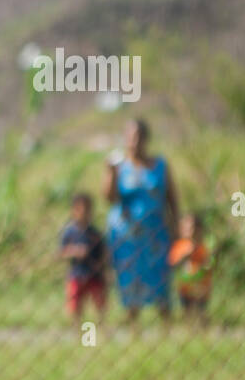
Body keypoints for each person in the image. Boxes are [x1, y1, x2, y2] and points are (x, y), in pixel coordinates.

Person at [103, 118, 179, 324]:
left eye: (137, 137)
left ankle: (167, 321)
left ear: (146, 139)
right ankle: (132, 320)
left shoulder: (159, 166)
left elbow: (171, 198)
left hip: (155, 233)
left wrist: (177, 227)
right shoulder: (119, 167)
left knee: (159, 275)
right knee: (129, 276)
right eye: (129, 137)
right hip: (126, 236)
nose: (133, 142)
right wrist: (110, 173)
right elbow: (109, 198)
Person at [58, 192, 108, 325]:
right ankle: (78, 329)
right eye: (80, 209)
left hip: (94, 274)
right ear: (73, 210)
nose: (84, 213)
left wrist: (101, 265)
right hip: (76, 274)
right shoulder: (69, 233)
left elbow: (103, 253)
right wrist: (75, 251)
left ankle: (100, 327)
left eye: (87, 209)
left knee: (99, 303)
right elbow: (61, 252)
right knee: (75, 304)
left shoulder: (95, 233)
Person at [169, 212, 214, 324]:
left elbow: (209, 264)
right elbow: (173, 263)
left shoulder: (203, 247)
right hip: (185, 287)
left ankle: (202, 326)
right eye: (187, 228)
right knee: (187, 310)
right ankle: (189, 326)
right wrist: (186, 256)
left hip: (201, 286)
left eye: (194, 228)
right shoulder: (179, 246)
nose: (191, 231)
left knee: (200, 310)